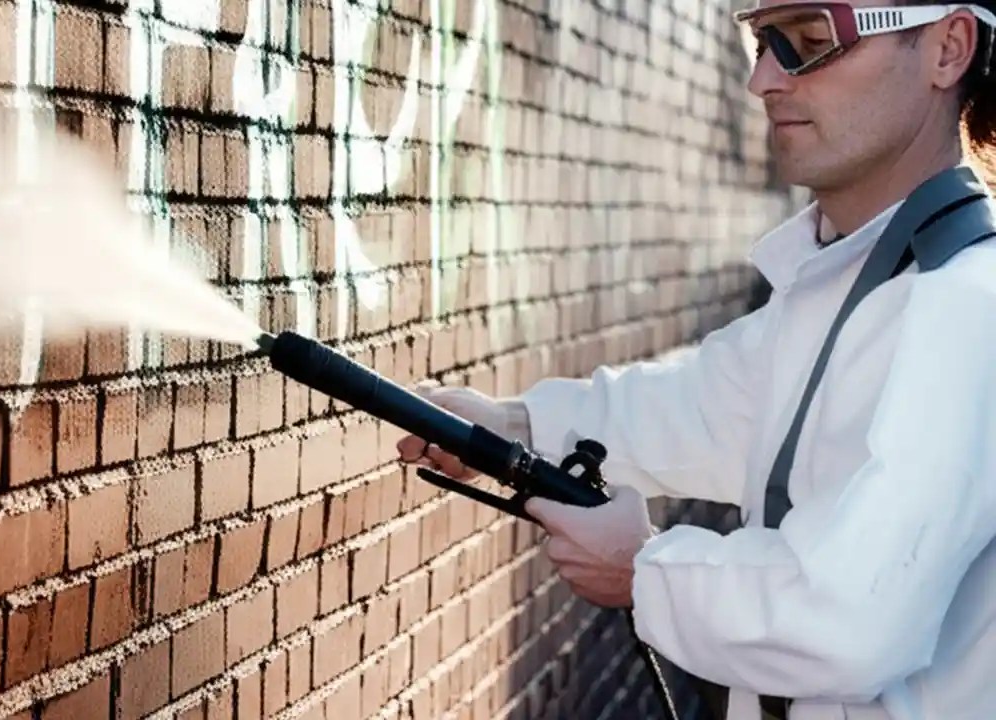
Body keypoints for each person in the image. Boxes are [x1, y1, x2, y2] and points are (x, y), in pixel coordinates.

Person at [397, 2, 996, 719]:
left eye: (809, 41)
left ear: (947, 47)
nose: (764, 81)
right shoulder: (863, 281)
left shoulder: (965, 305)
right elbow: (700, 405)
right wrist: (512, 426)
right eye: (762, 43)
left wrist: (646, 573)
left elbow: (847, 618)